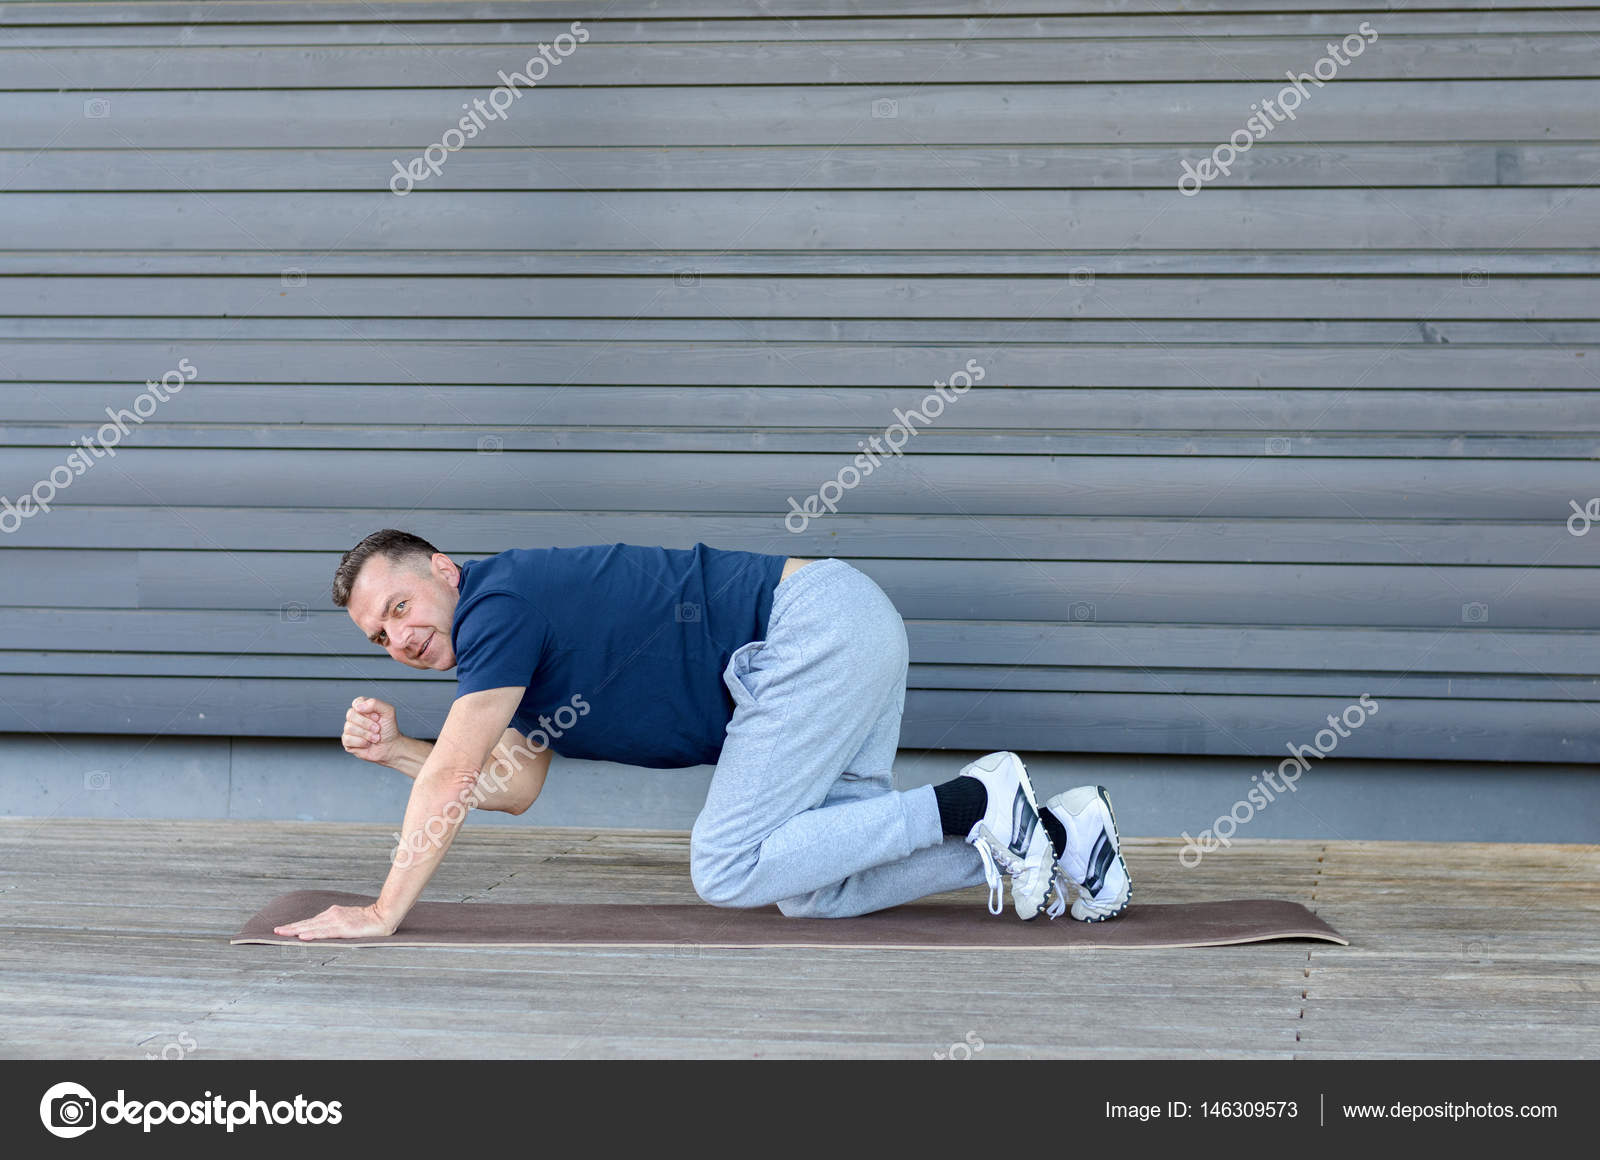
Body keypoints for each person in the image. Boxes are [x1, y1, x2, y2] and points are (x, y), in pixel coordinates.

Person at [272, 530, 1130, 941]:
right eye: (379, 638)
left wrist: (384, 911)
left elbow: (457, 776)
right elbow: (512, 787)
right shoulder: (511, 655)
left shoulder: (497, 608)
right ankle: (1058, 833)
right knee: (813, 884)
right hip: (842, 631)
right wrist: (394, 753)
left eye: (401, 609)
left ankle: (976, 796)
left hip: (811, 631)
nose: (401, 639)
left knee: (724, 866)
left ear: (443, 575)